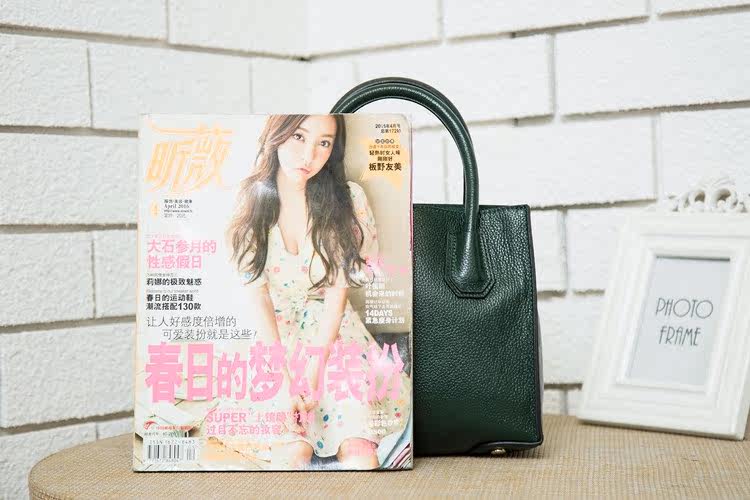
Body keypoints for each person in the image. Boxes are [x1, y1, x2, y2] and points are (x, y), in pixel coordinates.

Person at [226, 114, 410, 469]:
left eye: (323, 142)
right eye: (298, 136)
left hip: (334, 332)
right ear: (277, 134)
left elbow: (338, 294)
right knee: (292, 452)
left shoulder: (346, 200)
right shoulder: (250, 200)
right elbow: (258, 298)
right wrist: (284, 382)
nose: (309, 155)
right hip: (275, 339)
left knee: (359, 449)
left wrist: (314, 370)